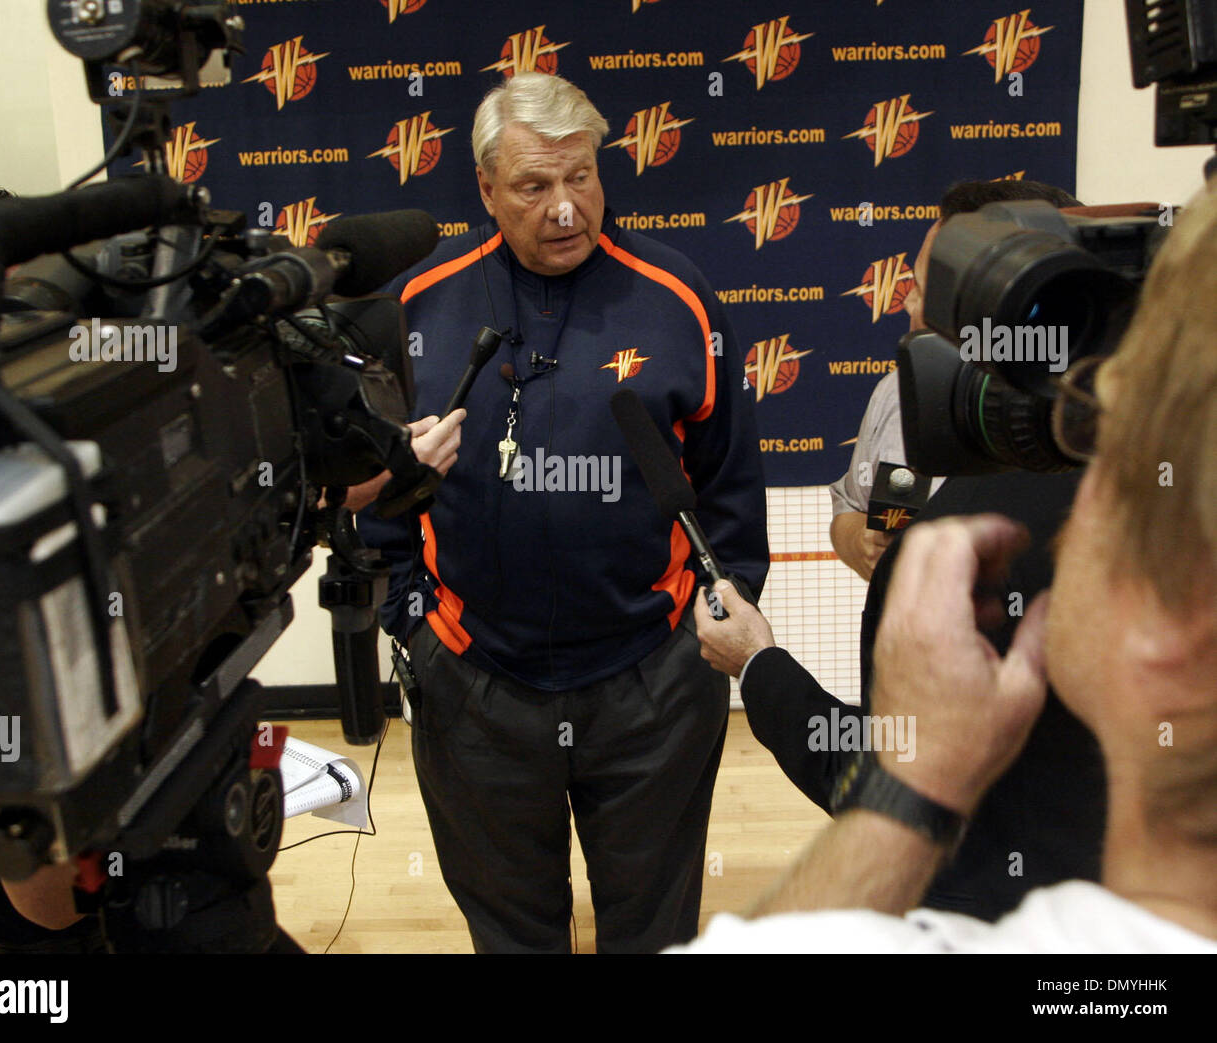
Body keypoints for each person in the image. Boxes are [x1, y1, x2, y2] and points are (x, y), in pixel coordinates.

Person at [679, 180, 1217, 952]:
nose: (910, 308)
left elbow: (862, 769)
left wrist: (761, 665)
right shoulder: (900, 404)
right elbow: (852, 506)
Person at [357, 72, 768, 953]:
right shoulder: (420, 304)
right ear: (485, 190)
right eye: (534, 186)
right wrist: (408, 616)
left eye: (580, 176)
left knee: (652, 929)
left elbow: (729, 480)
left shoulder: (678, 296)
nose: (567, 209)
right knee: (511, 934)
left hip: (653, 683)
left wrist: (722, 613)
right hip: (477, 686)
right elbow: (378, 481)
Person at [828, 179, 1080, 580]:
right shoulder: (896, 391)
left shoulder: (1095, 415)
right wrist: (862, 542)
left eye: (924, 291)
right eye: (911, 285)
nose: (908, 303)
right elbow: (849, 507)